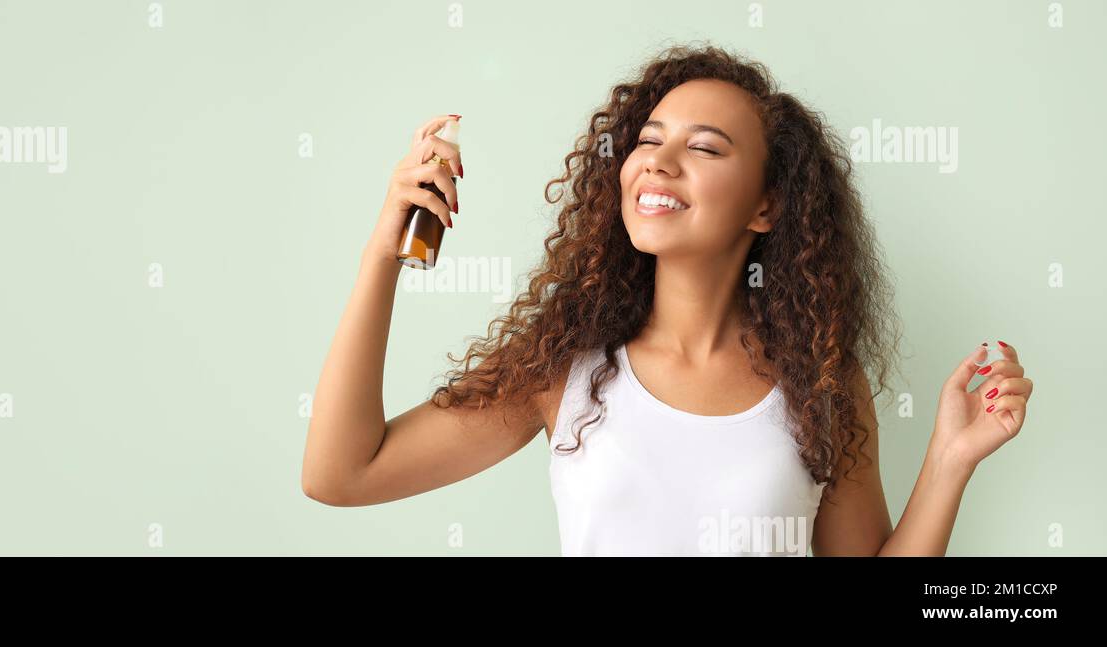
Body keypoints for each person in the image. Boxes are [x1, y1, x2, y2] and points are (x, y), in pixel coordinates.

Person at [301, 44, 1034, 556]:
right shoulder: (565, 367)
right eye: (649, 139)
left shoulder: (824, 385)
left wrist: (948, 459)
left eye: (707, 147)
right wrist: (381, 255)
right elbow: (342, 472)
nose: (658, 159)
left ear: (767, 206)